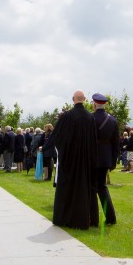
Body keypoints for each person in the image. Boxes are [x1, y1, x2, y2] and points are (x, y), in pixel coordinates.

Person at [50, 92, 97, 229]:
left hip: (69, 161)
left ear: (73, 100)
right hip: (84, 161)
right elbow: (93, 142)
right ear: (85, 100)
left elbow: (56, 137)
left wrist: (65, 151)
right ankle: (82, 219)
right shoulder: (90, 118)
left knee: (67, 189)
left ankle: (64, 217)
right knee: (83, 190)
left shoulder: (66, 117)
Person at [90, 93, 120, 226]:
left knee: (91, 188)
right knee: (102, 187)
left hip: (92, 156)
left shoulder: (90, 119)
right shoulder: (112, 120)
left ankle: (92, 218)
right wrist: (113, 161)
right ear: (105, 104)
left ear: (94, 104)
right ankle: (110, 217)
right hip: (106, 157)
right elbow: (116, 143)